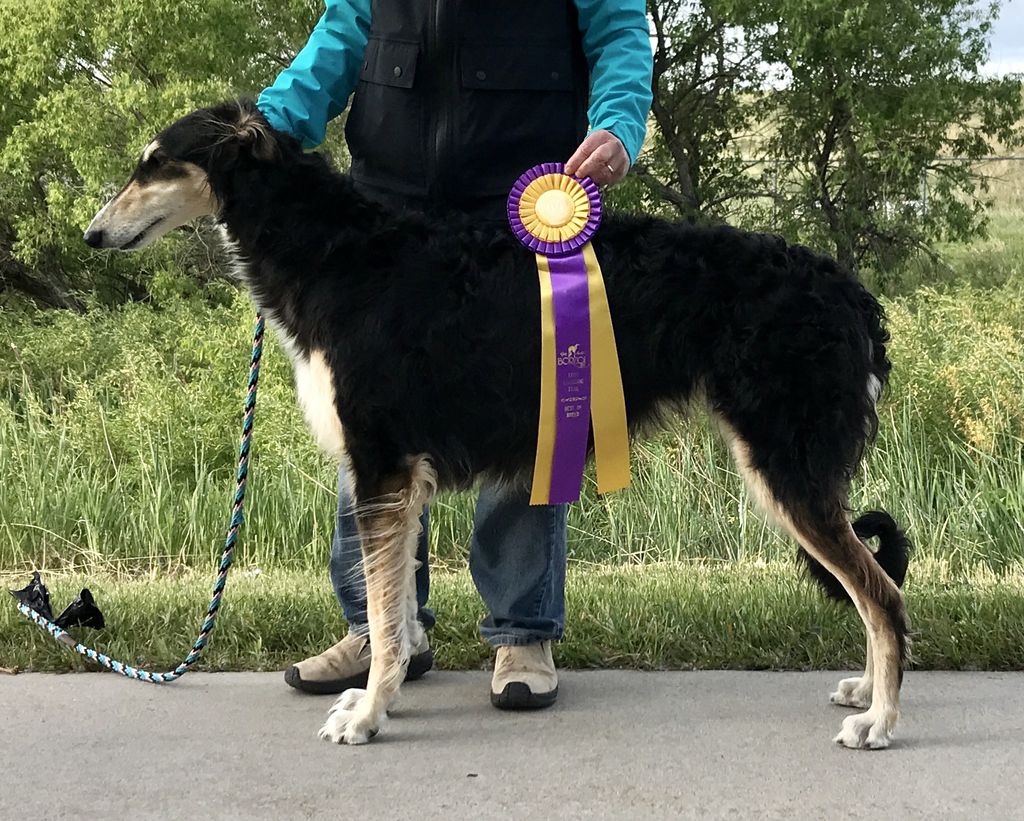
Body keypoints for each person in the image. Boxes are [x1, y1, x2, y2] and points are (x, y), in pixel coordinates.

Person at [257, 0, 652, 709]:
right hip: (385, 201)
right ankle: (380, 631)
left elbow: (619, 28)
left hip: (526, 200)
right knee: (372, 429)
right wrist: (266, 125)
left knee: (529, 420)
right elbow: (343, 32)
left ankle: (522, 629)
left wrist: (619, 124)